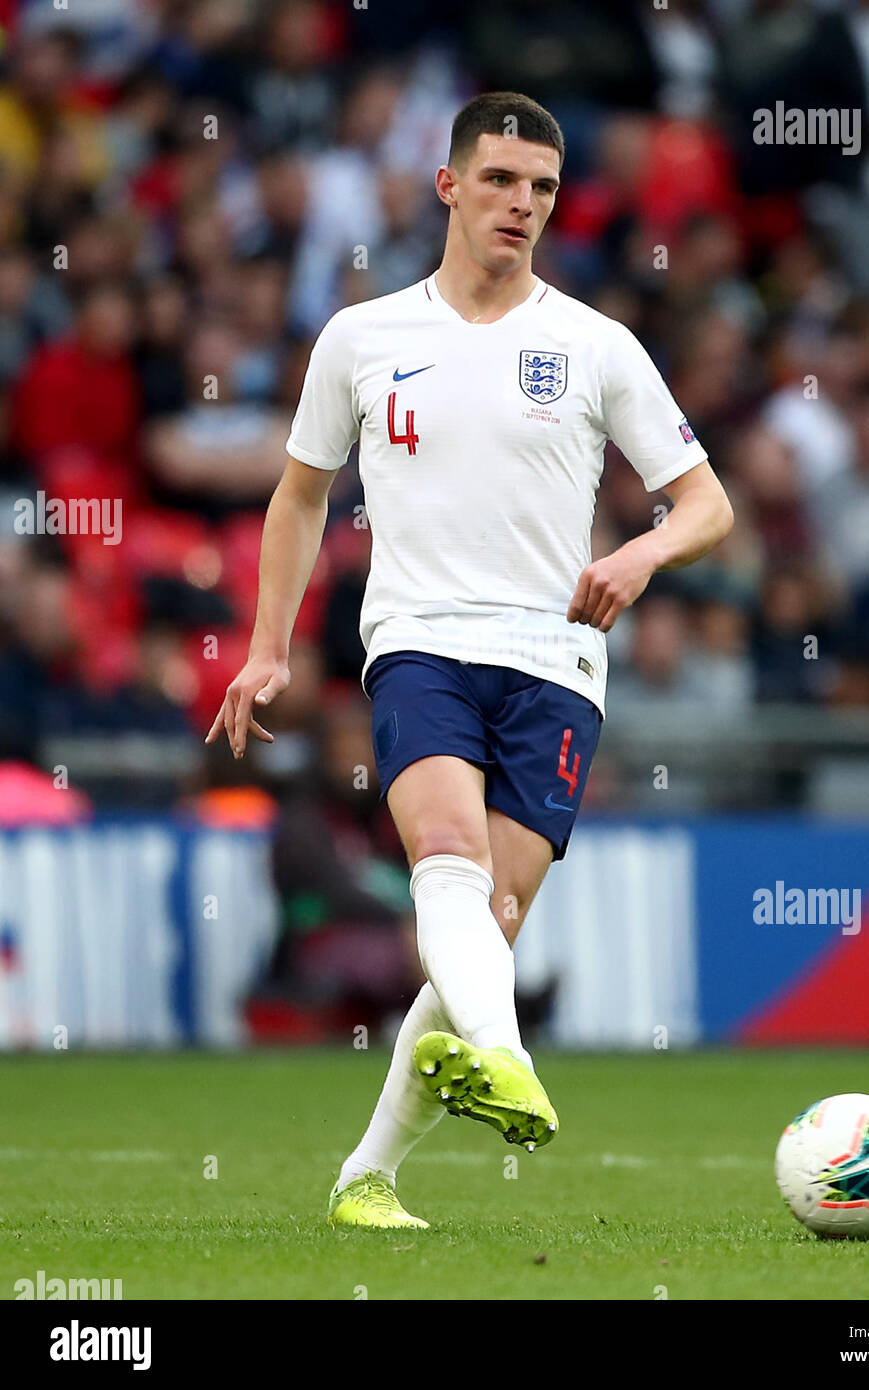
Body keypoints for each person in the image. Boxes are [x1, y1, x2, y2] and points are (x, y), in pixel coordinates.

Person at [205, 91, 734, 1229]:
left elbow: (706, 504)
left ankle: (365, 1177)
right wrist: (265, 647)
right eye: (499, 181)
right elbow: (300, 496)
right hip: (419, 641)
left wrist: (641, 554)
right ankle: (507, 1056)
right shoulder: (363, 338)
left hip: (554, 660)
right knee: (442, 854)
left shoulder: (595, 346)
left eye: (541, 188)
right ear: (448, 185)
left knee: (482, 930)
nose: (521, 205)